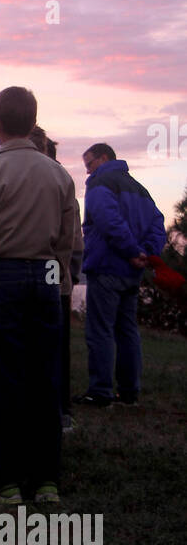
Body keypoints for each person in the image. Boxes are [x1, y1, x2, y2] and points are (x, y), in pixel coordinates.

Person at [0, 86, 76, 505]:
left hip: (3, 277)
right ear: (33, 122)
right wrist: (58, 280)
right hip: (46, 277)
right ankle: (46, 480)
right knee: (46, 378)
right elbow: (67, 242)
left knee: (3, 379)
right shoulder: (59, 175)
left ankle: (6, 482)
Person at [79, 143, 166, 407]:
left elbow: (108, 220)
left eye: (89, 164)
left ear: (104, 158)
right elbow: (158, 224)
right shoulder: (141, 189)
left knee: (100, 330)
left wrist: (131, 251)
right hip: (132, 272)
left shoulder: (99, 183)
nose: (87, 171)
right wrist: (146, 253)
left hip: (107, 266)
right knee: (127, 330)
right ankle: (129, 392)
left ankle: (101, 391)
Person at [30, 126, 83, 430]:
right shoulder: (63, 180)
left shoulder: (59, 181)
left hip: (50, 276)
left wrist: (65, 277)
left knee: (52, 347)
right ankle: (56, 408)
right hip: (54, 276)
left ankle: (58, 408)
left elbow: (73, 238)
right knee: (52, 347)